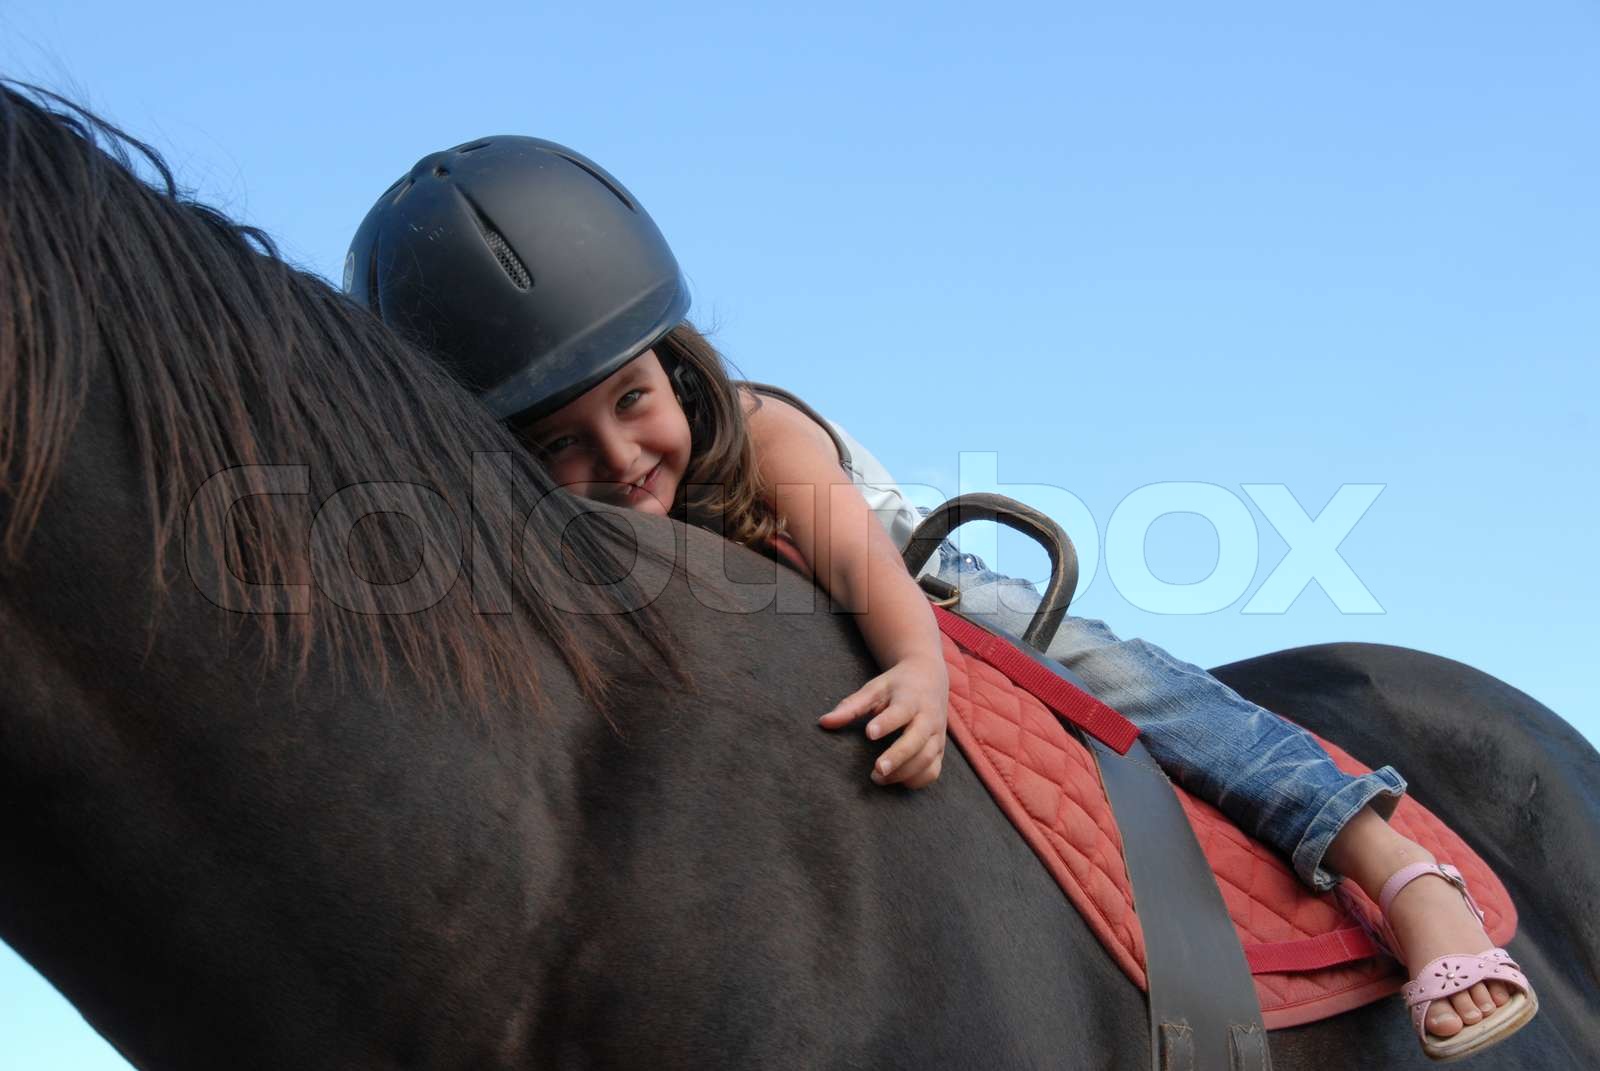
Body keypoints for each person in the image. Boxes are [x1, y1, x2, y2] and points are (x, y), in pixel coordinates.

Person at [346, 136, 1536, 1060]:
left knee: (1122, 680)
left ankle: (1390, 865)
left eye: (632, 398)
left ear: (678, 362)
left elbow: (871, 581)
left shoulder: (756, 436)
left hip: (915, 579)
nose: (618, 454)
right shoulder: (538, 560)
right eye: (559, 442)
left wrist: (918, 669)